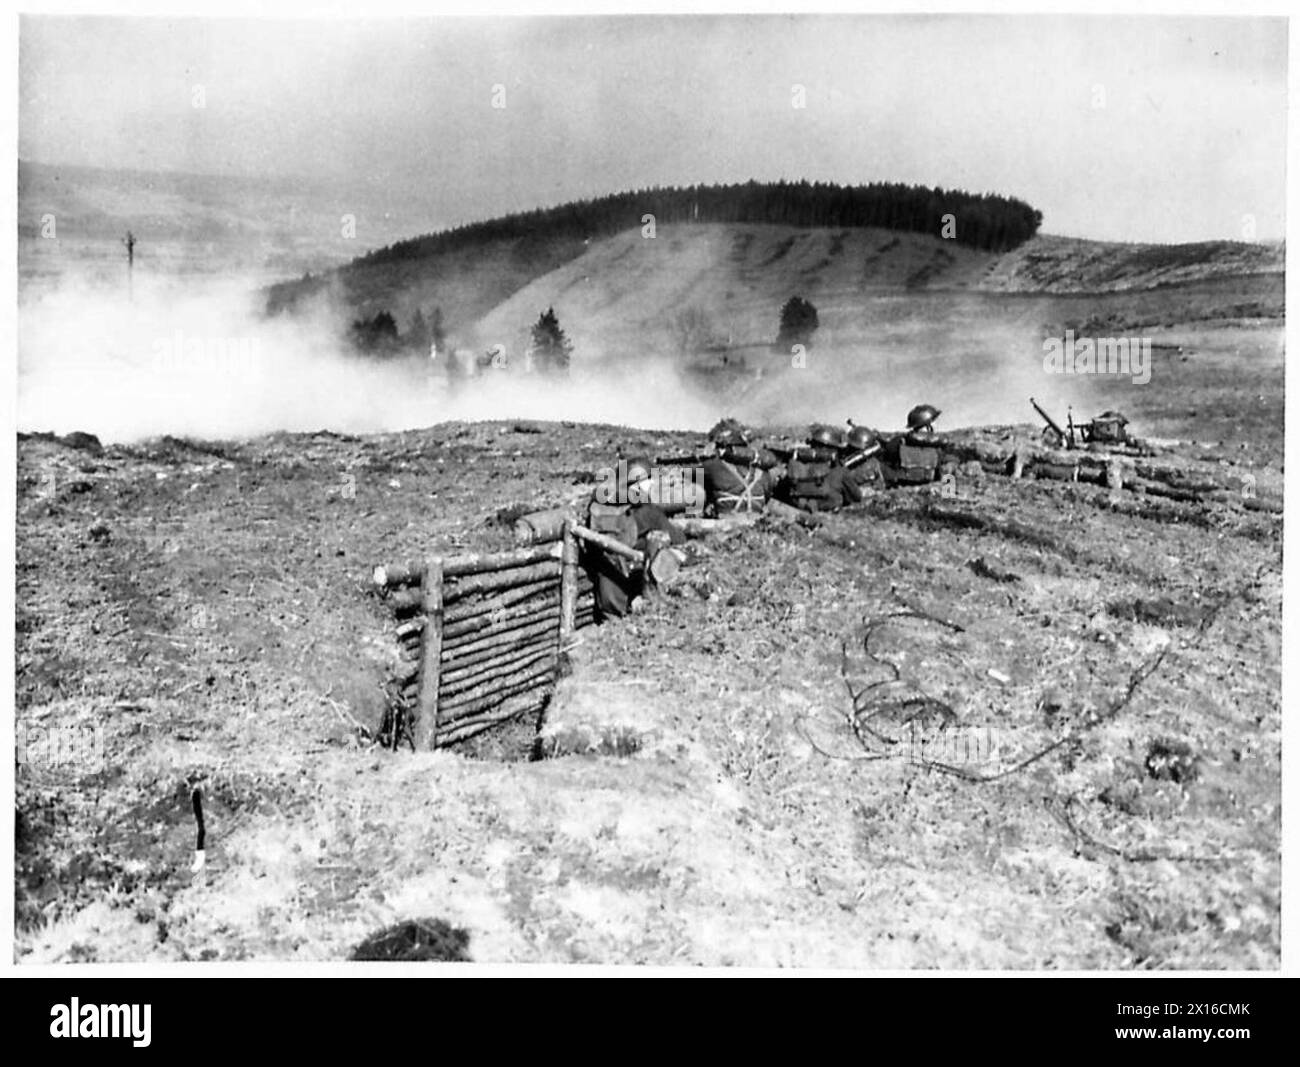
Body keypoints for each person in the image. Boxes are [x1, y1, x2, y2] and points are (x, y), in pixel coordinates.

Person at [587, 456, 686, 619]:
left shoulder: (604, 511)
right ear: (638, 483)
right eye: (649, 479)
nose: (653, 483)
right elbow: (679, 539)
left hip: (606, 602)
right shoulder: (648, 513)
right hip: (630, 604)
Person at [775, 424, 865, 513]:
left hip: (795, 508)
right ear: (834, 448)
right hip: (826, 513)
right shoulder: (840, 470)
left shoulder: (794, 463)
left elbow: (782, 490)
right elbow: (856, 497)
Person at [701, 422, 779, 516]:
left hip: (725, 519)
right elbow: (767, 496)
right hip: (755, 519)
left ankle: (691, 517)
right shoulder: (762, 471)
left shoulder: (713, 465)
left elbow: (689, 476)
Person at [878, 405, 946, 487]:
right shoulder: (938, 446)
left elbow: (885, 459)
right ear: (928, 426)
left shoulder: (898, 442)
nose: (936, 425)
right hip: (929, 487)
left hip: (900, 489)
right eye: (933, 421)